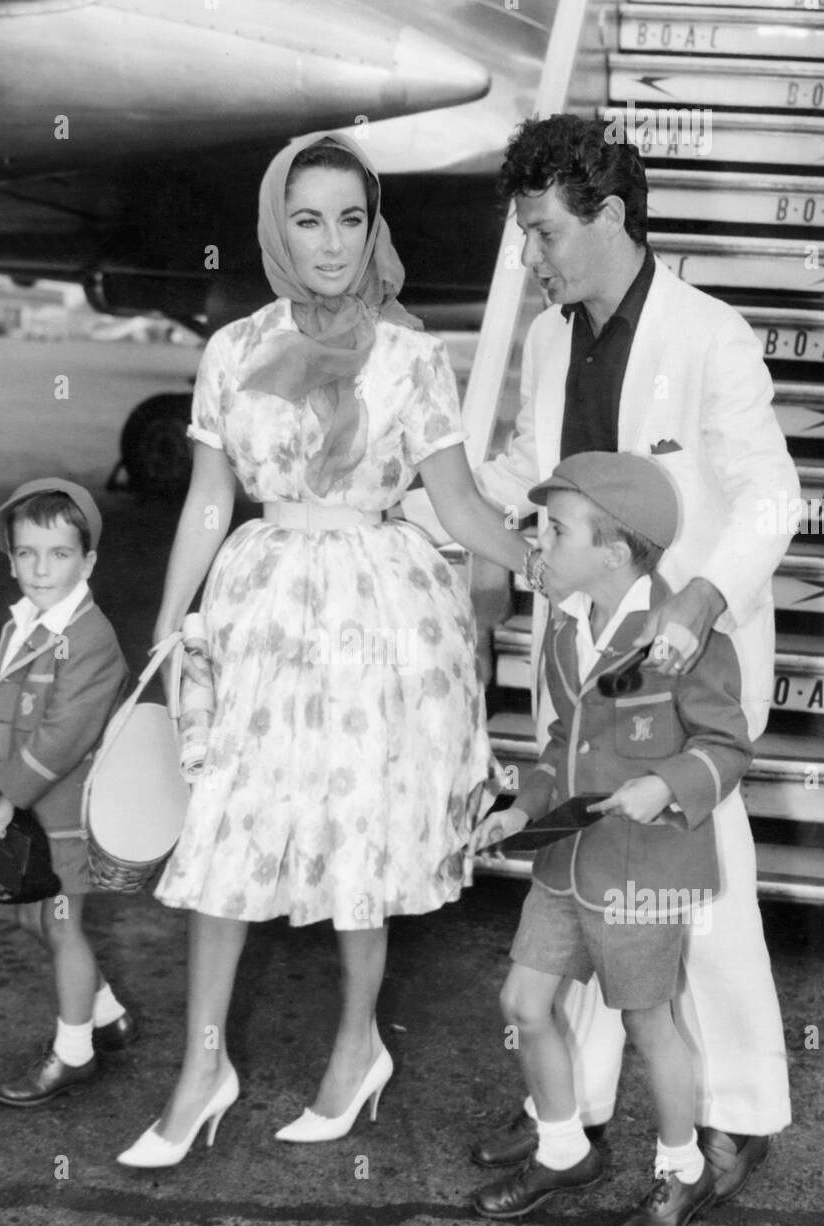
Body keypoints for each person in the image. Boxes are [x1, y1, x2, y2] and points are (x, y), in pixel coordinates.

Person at [117, 130, 534, 1169]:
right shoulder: (233, 350)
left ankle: (355, 1051)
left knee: (360, 835)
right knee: (220, 832)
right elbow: (211, 498)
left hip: (378, 619)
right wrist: (171, 622)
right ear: (276, 227)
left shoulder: (410, 358)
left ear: (371, 223)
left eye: (351, 217)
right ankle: (200, 1067)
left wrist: (552, 564)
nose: (333, 242)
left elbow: (457, 504)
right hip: (260, 611)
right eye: (308, 218)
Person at [471, 114, 796, 1201]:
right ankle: (572, 1112)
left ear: (608, 217)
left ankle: (730, 1113)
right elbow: (527, 465)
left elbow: (769, 495)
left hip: (681, 662)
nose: (531, 256)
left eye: (544, 233)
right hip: (579, 649)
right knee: (578, 875)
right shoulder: (546, 338)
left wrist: (699, 602)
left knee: (701, 903)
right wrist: (430, 497)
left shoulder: (711, 334)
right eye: (524, 235)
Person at [470, 451, 755, 1226]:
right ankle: (562, 1149)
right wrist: (517, 807)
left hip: (646, 872)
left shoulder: (682, 638)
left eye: (555, 529)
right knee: (524, 1004)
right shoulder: (567, 627)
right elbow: (562, 741)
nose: (539, 542)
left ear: (614, 549)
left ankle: (681, 1167)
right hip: (567, 859)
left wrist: (667, 784)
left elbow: (728, 748)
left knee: (649, 1025)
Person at [0, 479, 133, 1106]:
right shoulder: (22, 623)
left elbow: (63, 737)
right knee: (37, 919)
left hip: (64, 813)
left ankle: (73, 1053)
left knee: (60, 923)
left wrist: (7, 798)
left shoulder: (89, 639)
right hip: (25, 811)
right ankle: (105, 1011)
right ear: (10, 558)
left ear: (87, 562)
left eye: (58, 555)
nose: (40, 568)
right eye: (27, 553)